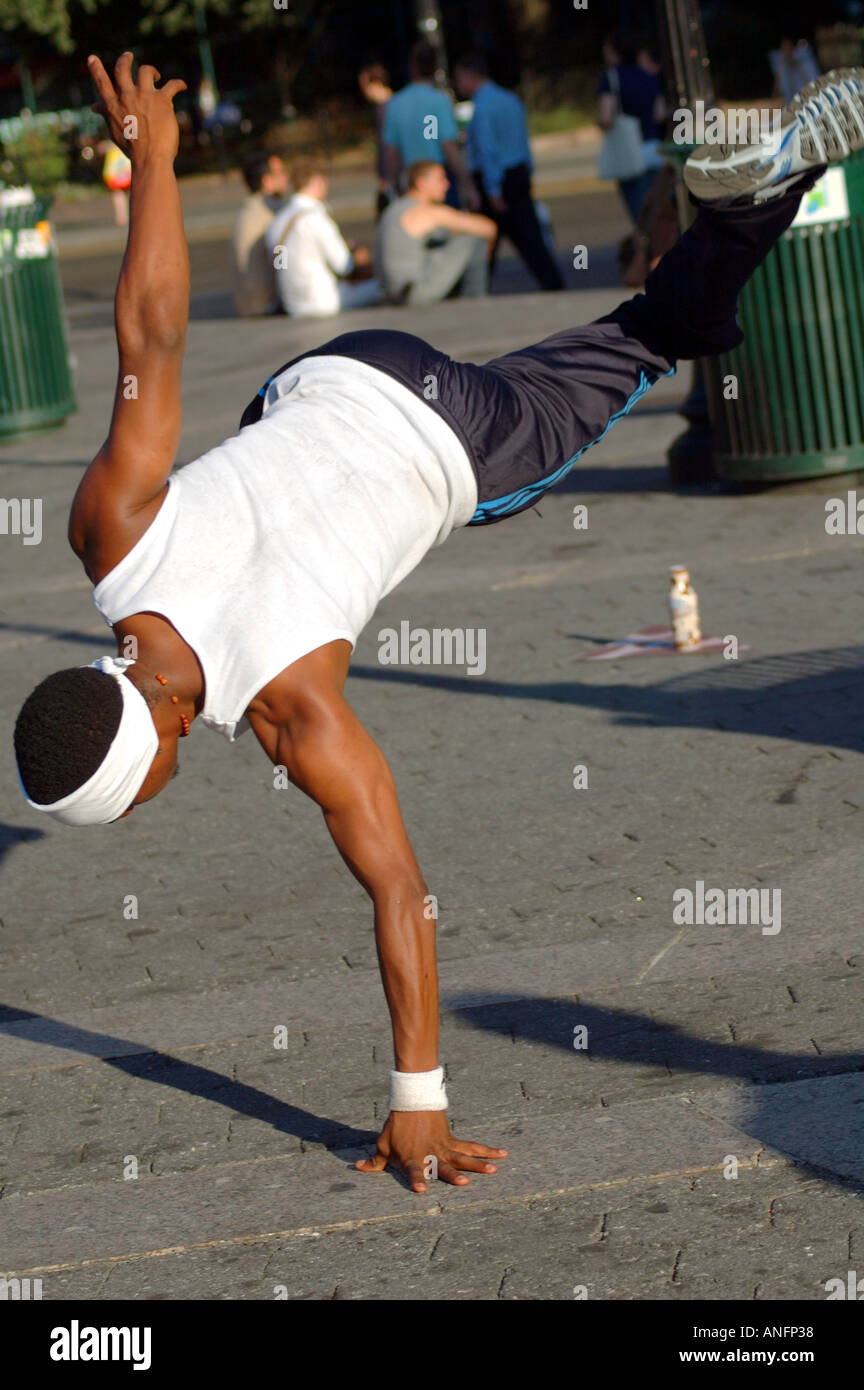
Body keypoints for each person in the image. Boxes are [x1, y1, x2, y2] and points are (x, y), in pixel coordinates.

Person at [16, 53, 864, 1193]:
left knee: (652, 337)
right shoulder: (107, 534)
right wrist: (154, 163)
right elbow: (152, 334)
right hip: (331, 374)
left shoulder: (291, 710)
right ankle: (714, 229)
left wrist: (419, 1099)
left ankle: (754, 199)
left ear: (154, 762)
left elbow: (402, 891)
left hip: (458, 441)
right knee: (624, 336)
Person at [452, 52, 565, 291]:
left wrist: (493, 189)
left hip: (496, 180)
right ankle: (552, 282)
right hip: (518, 173)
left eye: (460, 78)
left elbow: (487, 150)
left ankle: (475, 290)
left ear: (471, 76)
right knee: (530, 238)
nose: (458, 85)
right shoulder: (510, 99)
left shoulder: (482, 107)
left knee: (486, 240)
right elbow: (523, 141)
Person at [266, 157, 380, 317]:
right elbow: (343, 265)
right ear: (317, 182)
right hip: (323, 301)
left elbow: (280, 265)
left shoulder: (277, 222)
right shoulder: (315, 218)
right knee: (380, 287)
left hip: (292, 304)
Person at [376, 159, 496, 305]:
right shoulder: (427, 211)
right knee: (473, 239)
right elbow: (488, 228)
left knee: (444, 241)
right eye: (441, 179)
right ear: (421, 183)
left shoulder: (394, 208)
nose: (446, 184)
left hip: (389, 292)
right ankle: (475, 302)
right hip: (412, 293)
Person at [382, 41, 474, 209]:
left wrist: (391, 183)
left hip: (410, 180)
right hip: (438, 178)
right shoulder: (439, 101)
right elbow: (449, 146)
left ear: (412, 67)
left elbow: (391, 151)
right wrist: (468, 184)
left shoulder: (395, 104)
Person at [597, 29, 667, 223]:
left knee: (642, 217)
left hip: (630, 154)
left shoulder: (611, 79)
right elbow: (659, 114)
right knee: (658, 213)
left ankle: (647, 251)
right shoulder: (648, 77)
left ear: (613, 51)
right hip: (653, 150)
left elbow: (606, 117)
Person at [231, 151, 288, 317]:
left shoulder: (247, 210)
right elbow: (282, 261)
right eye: (280, 172)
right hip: (269, 307)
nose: (286, 177)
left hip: (247, 305)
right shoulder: (271, 212)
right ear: (267, 181)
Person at [358, 63, 394, 219]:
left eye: (365, 85)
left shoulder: (384, 109)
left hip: (391, 173)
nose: (363, 91)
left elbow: (387, 144)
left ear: (376, 84)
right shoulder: (392, 105)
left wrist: (385, 174)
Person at [770, 38, 821, 104]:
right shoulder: (782, 67)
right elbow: (777, 91)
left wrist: (798, 65)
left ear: (793, 48)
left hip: (808, 99)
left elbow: (813, 82)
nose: (787, 52)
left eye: (788, 48)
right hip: (791, 103)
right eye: (784, 49)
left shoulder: (805, 62)